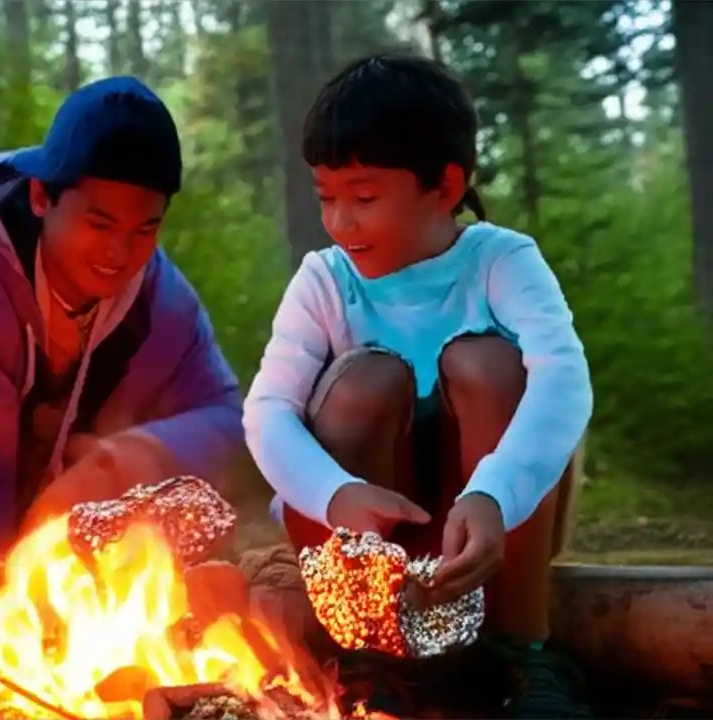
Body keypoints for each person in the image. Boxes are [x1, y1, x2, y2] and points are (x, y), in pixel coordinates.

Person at [242, 54, 593, 717]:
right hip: (359, 532)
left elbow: (564, 378)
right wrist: (335, 495)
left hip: (492, 530)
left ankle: (522, 654)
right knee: (364, 379)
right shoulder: (326, 281)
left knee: (489, 364)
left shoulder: (499, 261)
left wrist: (495, 493)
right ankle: (370, 659)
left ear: (445, 185)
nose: (341, 222)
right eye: (327, 197)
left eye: (364, 198)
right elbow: (267, 412)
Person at [0, 76, 244, 554]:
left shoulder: (159, 300)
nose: (119, 252)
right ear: (41, 196)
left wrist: (128, 461)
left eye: (144, 230)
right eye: (99, 223)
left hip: (46, 551)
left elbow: (230, 423)